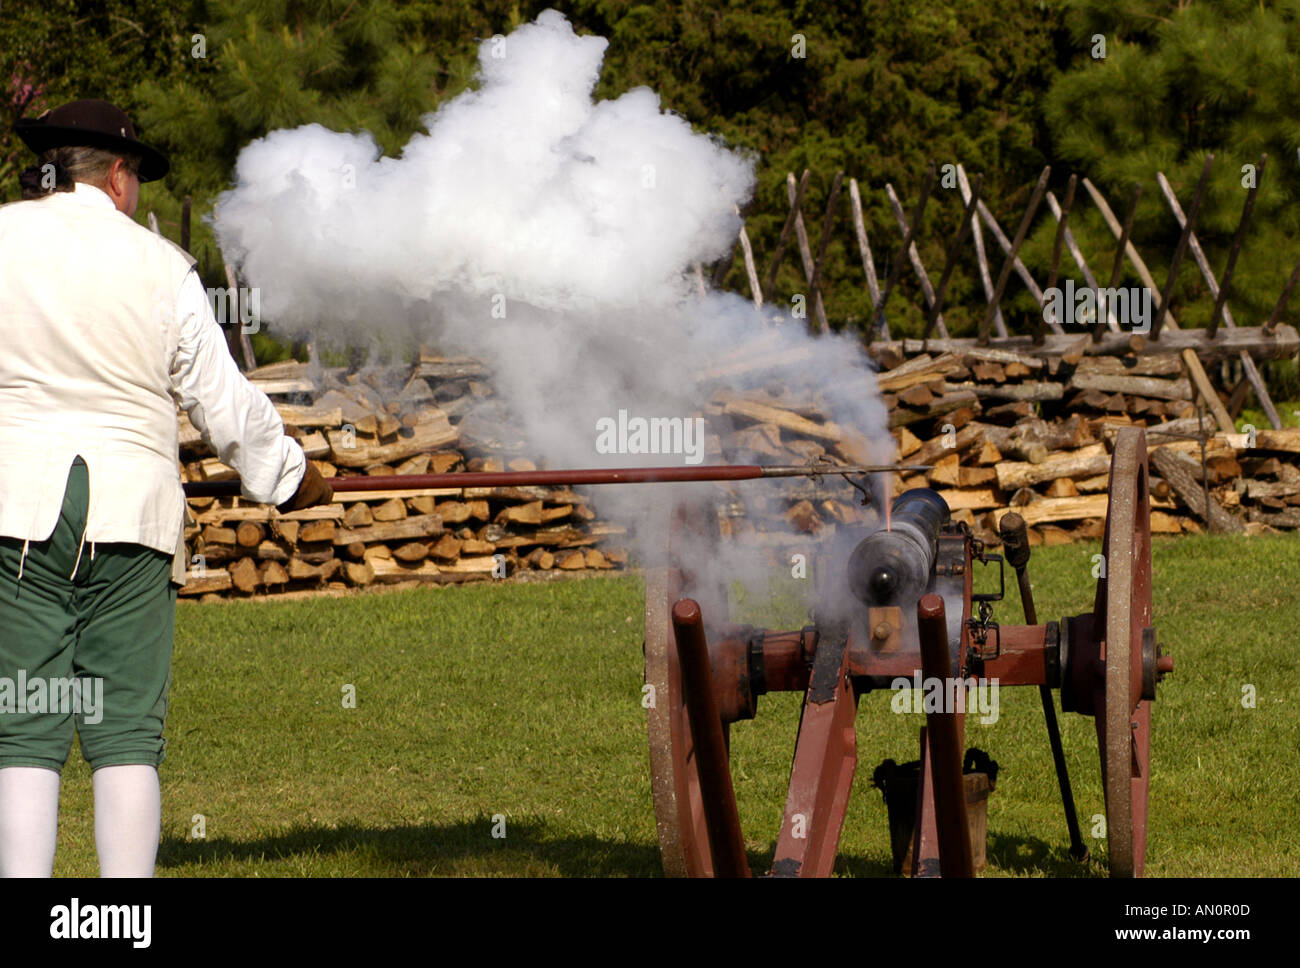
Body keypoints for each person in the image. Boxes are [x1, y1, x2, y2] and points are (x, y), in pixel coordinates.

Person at [0, 99, 333, 877]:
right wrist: (291, 478)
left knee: (22, 725)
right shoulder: (161, 266)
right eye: (137, 178)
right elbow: (225, 401)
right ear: (117, 177)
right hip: (131, 514)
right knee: (123, 731)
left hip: (15, 510)